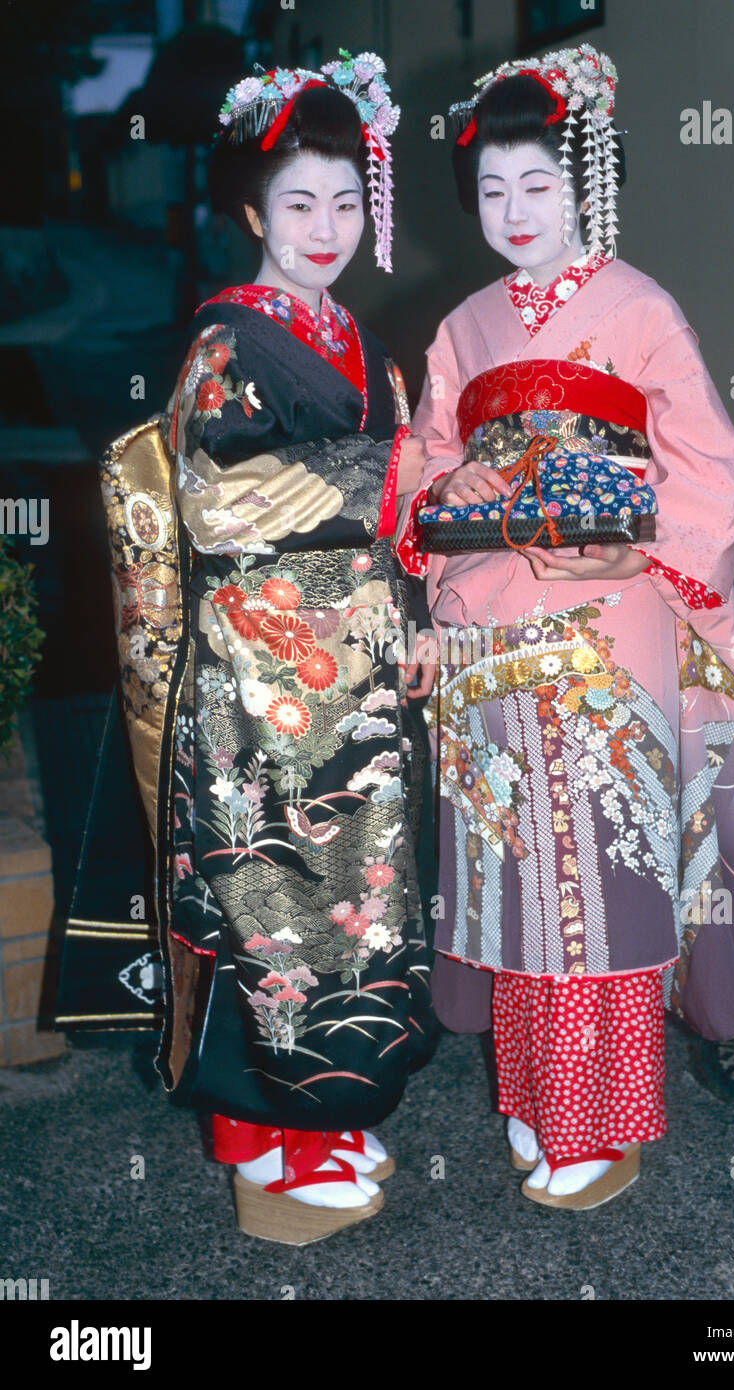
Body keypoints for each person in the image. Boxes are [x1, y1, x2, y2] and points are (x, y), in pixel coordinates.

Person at [57, 52, 438, 1246]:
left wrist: (411, 605)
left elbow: (394, 516)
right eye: (297, 206)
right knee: (272, 905)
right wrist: (390, 477)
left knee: (360, 913)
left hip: (357, 680)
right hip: (262, 679)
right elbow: (220, 507)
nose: (323, 230)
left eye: (344, 203)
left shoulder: (359, 344)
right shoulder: (228, 340)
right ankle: (270, 1145)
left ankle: (331, 1113)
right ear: (250, 217)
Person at [396, 43, 734, 1209]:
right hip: (492, 621)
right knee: (514, 869)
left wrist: (634, 540)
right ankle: (529, 1094)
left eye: (536, 185)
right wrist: (452, 516)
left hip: (612, 623)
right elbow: (427, 464)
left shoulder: (640, 309)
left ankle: (599, 1116)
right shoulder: (460, 327)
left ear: (583, 184)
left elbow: (705, 464)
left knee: (602, 871)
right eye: (492, 190)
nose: (512, 212)